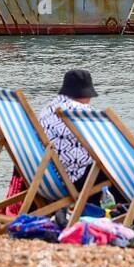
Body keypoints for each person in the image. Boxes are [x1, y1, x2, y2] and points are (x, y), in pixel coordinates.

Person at [37, 69, 100, 197]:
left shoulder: (47, 109)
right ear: (86, 94)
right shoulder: (82, 112)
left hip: (46, 178)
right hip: (73, 181)